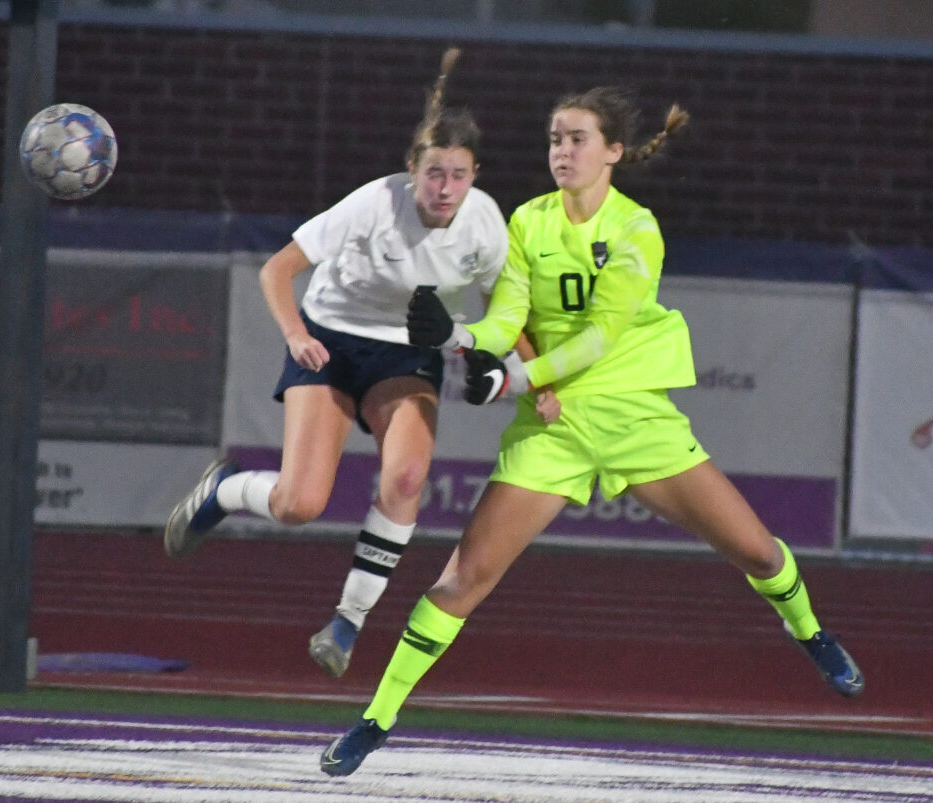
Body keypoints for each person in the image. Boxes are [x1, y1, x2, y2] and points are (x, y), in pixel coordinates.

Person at [320, 86, 865, 777]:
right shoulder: (528, 223)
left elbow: (599, 341)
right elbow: (506, 316)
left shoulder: (638, 229)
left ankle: (812, 633)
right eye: (554, 138)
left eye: (577, 138)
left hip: (636, 419)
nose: (562, 151)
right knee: (461, 580)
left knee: (758, 552)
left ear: (612, 151)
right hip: (555, 433)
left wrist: (512, 379)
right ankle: (376, 719)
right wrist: (459, 335)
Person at [161, 47, 509, 679]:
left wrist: (532, 375)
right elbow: (278, 270)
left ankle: (347, 622)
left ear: (475, 174)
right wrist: (294, 334)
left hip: (406, 354)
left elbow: (511, 309)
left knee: (406, 480)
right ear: (411, 170)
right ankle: (225, 489)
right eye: (434, 172)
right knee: (299, 504)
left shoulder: (485, 225)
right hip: (328, 339)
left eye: (458, 174)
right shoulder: (374, 203)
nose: (445, 188)